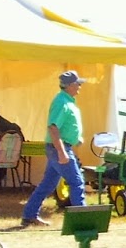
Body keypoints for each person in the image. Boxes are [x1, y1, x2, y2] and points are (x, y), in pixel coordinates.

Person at [21, 70, 87, 229]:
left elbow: (63, 126)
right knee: (77, 182)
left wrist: (75, 138)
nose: (80, 87)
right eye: (78, 84)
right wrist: (62, 152)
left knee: (47, 185)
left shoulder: (67, 101)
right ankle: (82, 219)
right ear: (70, 85)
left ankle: (29, 216)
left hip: (60, 146)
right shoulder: (61, 102)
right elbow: (53, 127)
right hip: (59, 148)